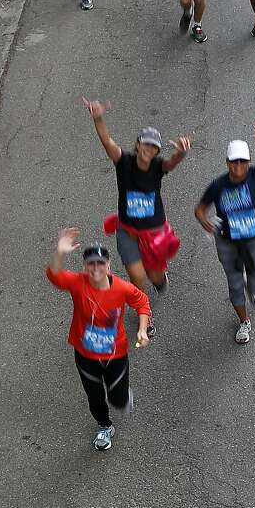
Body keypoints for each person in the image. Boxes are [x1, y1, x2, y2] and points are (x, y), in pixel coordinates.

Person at [82, 98, 190, 337]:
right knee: (137, 277)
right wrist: (98, 117)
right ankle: (145, 313)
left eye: (154, 147)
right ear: (138, 144)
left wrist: (181, 153)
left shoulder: (158, 166)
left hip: (154, 234)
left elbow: (172, 162)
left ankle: (161, 279)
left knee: (155, 278)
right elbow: (107, 141)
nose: (149, 150)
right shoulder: (124, 161)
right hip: (128, 232)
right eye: (146, 144)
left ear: (157, 152)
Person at [46, 228, 151, 452]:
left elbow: (142, 302)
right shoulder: (77, 283)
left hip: (116, 354)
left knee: (118, 398)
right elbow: (54, 276)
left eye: (100, 264)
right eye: (91, 264)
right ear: (85, 267)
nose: (95, 269)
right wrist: (59, 252)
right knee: (94, 395)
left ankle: (122, 398)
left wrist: (142, 329)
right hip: (85, 354)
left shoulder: (122, 288)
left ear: (109, 266)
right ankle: (104, 426)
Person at [195, 123, 255, 343]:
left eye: (242, 161)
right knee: (234, 283)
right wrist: (205, 223)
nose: (238, 165)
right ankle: (244, 322)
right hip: (228, 242)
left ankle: (253, 288)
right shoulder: (218, 185)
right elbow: (200, 209)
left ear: (249, 162)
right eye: (234, 161)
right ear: (227, 163)